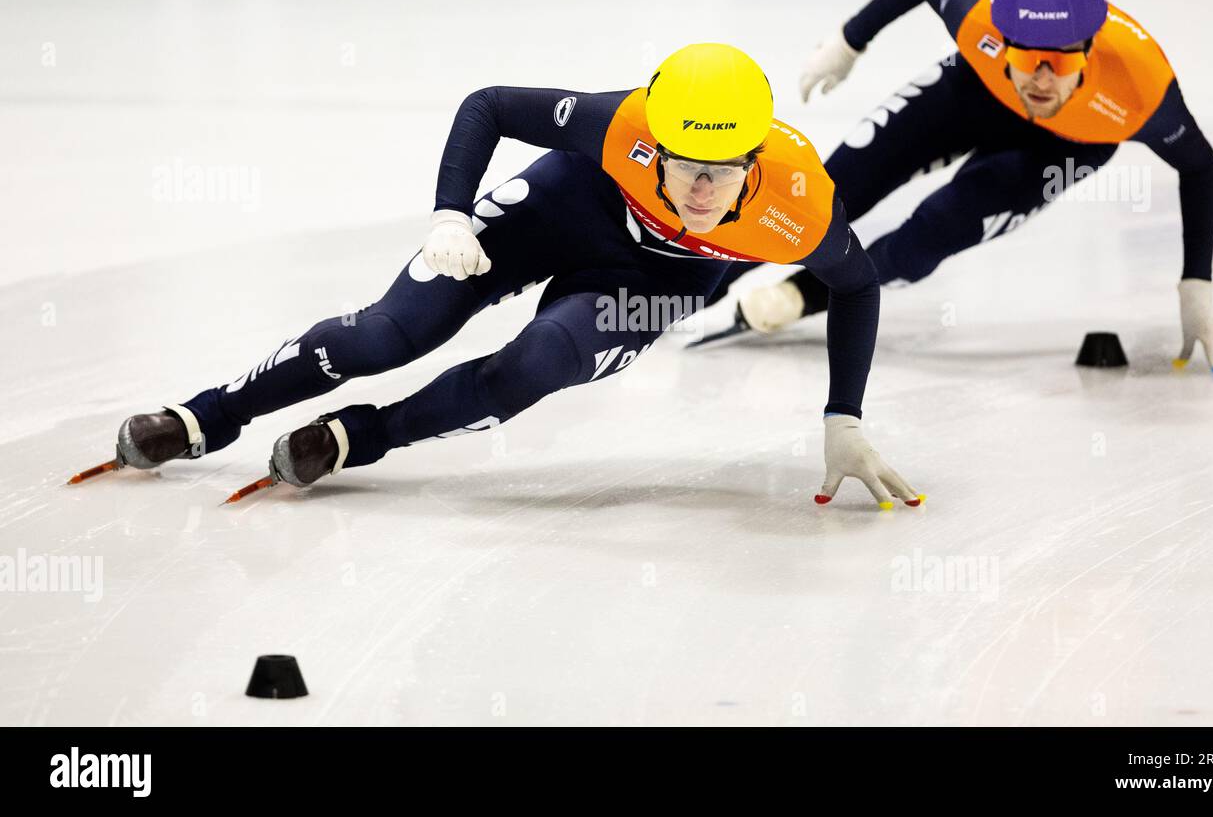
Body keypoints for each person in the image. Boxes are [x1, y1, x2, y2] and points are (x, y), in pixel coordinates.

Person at [84, 44, 922, 509]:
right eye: (683, 167)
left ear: (755, 160)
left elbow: (857, 284)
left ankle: (360, 437)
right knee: (386, 334)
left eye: (724, 172)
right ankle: (205, 416)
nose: (702, 191)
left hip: (646, 287)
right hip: (567, 208)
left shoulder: (800, 204)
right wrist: (450, 213)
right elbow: (489, 104)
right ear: (654, 145)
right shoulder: (619, 124)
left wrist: (843, 415)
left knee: (535, 363)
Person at [698, 0, 1213, 376]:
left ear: (1090, 49)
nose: (1041, 81)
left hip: (1064, 146)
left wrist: (1196, 284)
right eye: (1027, 58)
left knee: (932, 234)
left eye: (1060, 64)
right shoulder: (977, 16)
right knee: (824, 191)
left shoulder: (1141, 90)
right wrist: (849, 42)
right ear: (1001, 37)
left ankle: (801, 296)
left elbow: (1199, 166)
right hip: (975, 93)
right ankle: (696, 284)